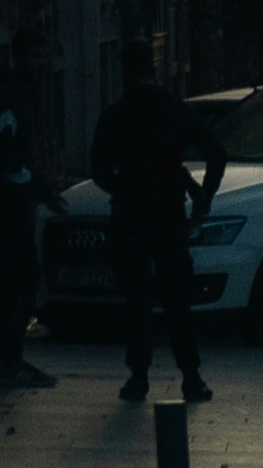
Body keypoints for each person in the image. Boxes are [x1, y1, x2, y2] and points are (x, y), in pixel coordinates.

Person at [89, 38, 225, 406]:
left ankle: (138, 377)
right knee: (177, 299)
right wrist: (204, 195)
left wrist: (125, 188)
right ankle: (191, 377)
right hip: (168, 214)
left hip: (130, 216)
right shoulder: (174, 110)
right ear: (153, 69)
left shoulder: (116, 115)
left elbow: (99, 168)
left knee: (136, 299)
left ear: (124, 72)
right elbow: (216, 152)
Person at [0, 26, 66, 394]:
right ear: (20, 57)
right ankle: (9, 360)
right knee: (21, 274)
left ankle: (11, 359)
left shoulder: (22, 93)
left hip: (10, 196)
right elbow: (4, 153)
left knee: (17, 274)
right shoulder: (10, 96)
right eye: (35, 57)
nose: (41, 64)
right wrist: (38, 188)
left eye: (45, 57)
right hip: (2, 198)